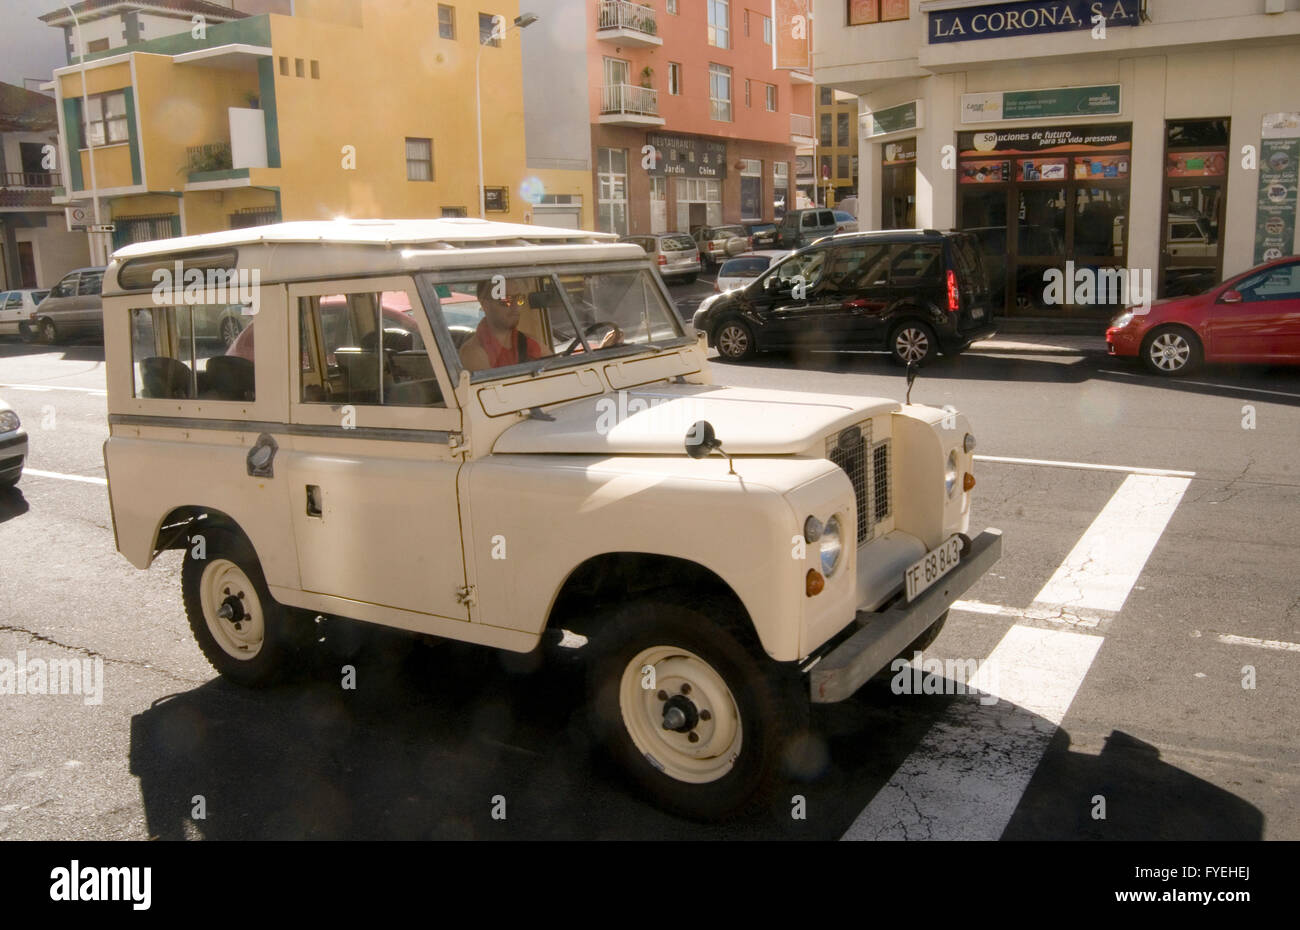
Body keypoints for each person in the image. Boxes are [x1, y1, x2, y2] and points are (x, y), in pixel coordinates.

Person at [458, 278, 548, 371]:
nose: (516, 307)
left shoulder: (530, 342)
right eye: (506, 300)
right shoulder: (474, 353)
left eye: (519, 299)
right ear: (485, 304)